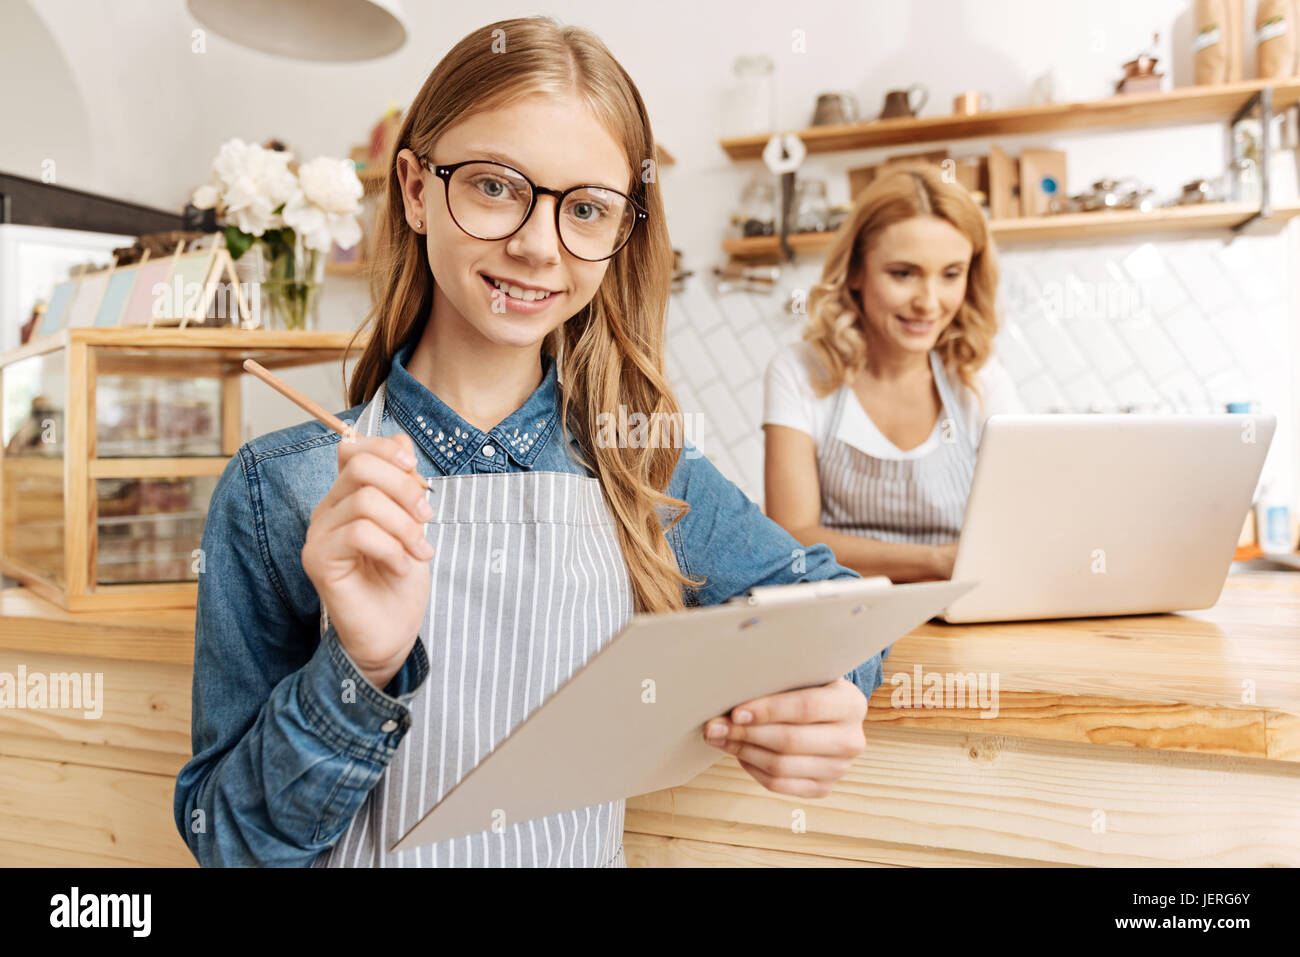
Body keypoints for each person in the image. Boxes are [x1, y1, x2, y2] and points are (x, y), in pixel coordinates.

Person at [174, 16, 879, 869]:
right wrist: (358, 667)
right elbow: (229, 842)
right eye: (496, 186)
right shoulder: (279, 488)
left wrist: (835, 689)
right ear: (414, 187)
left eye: (586, 208)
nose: (539, 246)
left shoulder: (641, 467)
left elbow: (840, 612)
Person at [763, 164, 1023, 584]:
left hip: (960, 612)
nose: (928, 302)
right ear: (856, 272)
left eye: (951, 275)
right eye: (903, 273)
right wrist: (937, 561)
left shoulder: (979, 375)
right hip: (845, 616)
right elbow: (793, 539)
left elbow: (1016, 526)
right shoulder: (799, 370)